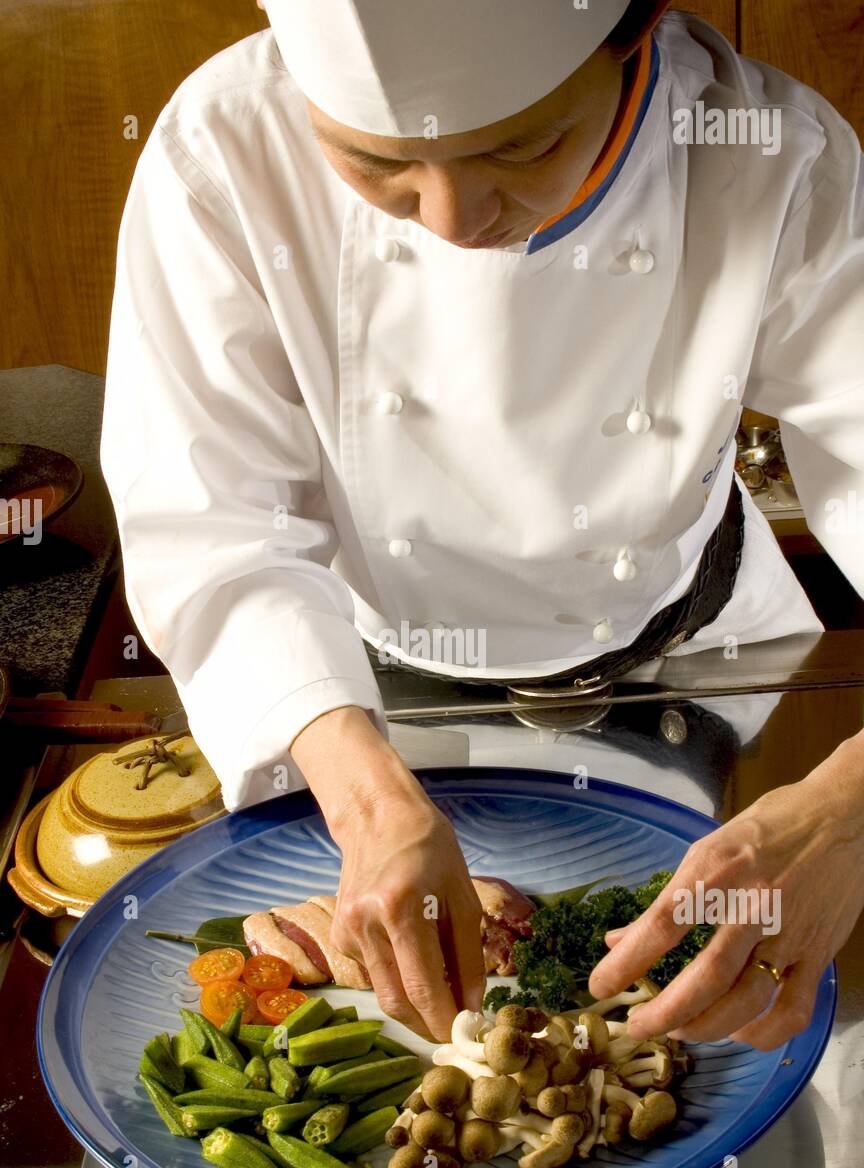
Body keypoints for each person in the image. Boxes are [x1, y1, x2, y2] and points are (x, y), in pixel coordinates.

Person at [100, 0, 864, 1046]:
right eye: (376, 167)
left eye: (524, 144)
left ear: (628, 41)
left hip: (691, 658)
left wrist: (845, 813)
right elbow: (211, 524)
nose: (453, 222)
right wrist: (369, 805)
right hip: (356, 688)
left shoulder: (772, 159)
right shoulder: (220, 152)